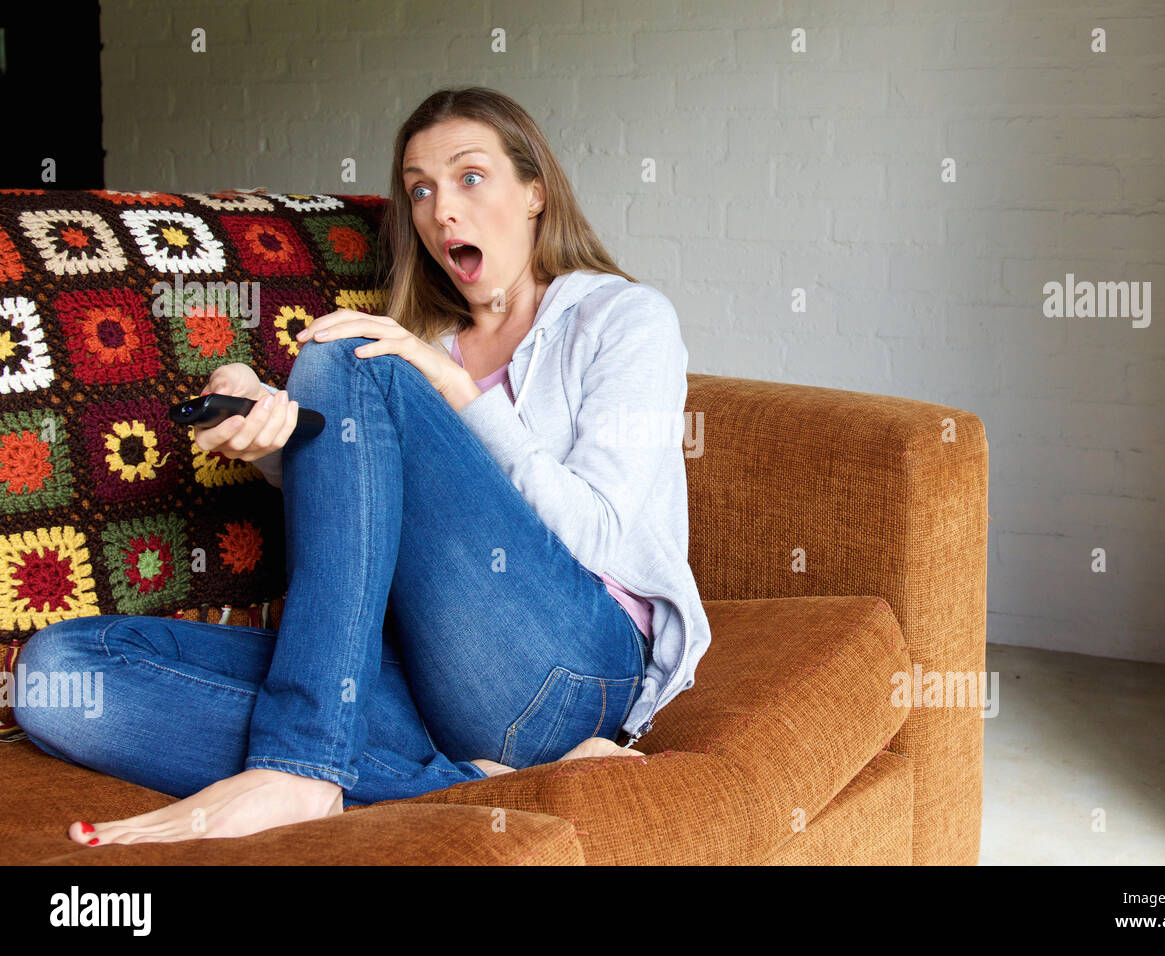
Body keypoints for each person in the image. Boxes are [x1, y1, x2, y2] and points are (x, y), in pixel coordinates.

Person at [13, 86, 711, 846]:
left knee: (344, 353)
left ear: (535, 191)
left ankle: (303, 764)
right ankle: (470, 785)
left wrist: (458, 396)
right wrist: (270, 439)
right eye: (420, 189)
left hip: (570, 672)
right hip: (416, 680)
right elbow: (366, 513)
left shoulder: (622, 319)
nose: (443, 209)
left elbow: (601, 533)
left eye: (470, 177)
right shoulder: (420, 345)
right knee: (58, 676)